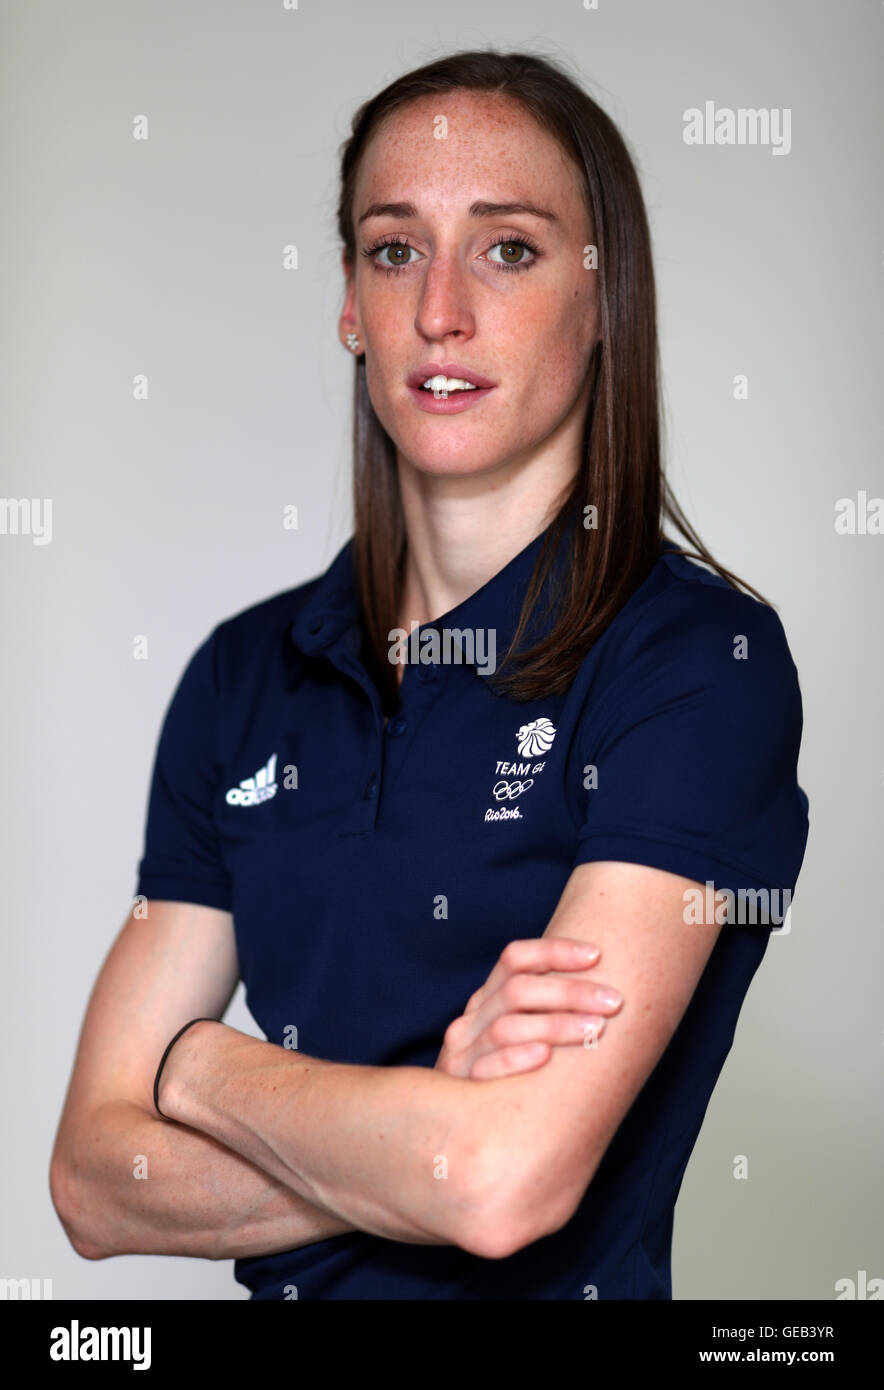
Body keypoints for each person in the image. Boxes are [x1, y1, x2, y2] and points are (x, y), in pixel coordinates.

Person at [50, 48, 809, 1300]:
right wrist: (433, 1122)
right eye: (394, 249)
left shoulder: (694, 665)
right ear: (349, 304)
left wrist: (195, 1068)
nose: (439, 310)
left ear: (604, 297)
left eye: (507, 248)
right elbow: (92, 1180)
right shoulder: (242, 676)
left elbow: (503, 1183)